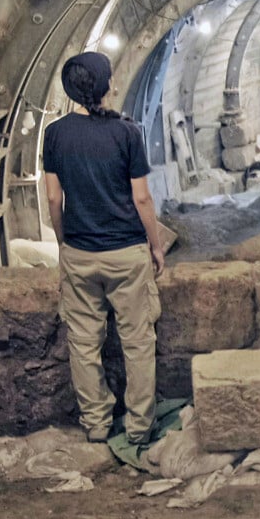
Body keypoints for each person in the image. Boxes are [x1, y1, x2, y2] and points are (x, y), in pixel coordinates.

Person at [43, 50, 166, 445]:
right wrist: (157, 245)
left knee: (83, 344)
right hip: (126, 253)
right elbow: (142, 199)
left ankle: (95, 424)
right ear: (105, 85)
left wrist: (64, 242)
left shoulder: (55, 134)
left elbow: (51, 199)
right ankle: (138, 427)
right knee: (138, 343)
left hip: (80, 254)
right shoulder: (127, 133)